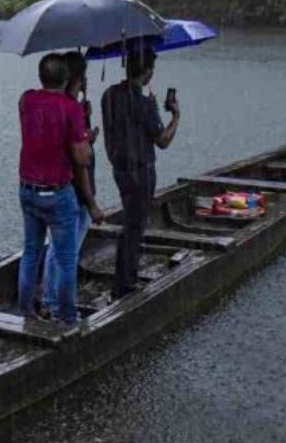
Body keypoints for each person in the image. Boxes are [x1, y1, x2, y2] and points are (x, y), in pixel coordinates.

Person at [17, 53, 103, 325]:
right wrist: (86, 140)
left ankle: (26, 311)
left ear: (41, 76)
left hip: (27, 190)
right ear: (67, 78)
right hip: (57, 193)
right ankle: (65, 316)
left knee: (31, 252)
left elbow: (44, 132)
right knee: (66, 260)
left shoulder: (26, 99)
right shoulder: (70, 108)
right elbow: (81, 158)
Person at [100, 48, 180, 299]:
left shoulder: (109, 95)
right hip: (141, 171)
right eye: (152, 69)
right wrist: (175, 115)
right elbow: (163, 141)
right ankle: (125, 286)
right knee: (134, 227)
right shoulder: (143, 104)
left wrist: (150, 108)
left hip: (119, 169)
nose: (152, 73)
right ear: (146, 72)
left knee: (130, 222)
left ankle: (124, 279)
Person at [40, 51, 100, 318]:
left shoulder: (56, 107)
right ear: (75, 79)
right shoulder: (69, 109)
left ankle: (49, 300)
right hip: (73, 193)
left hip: (56, 189)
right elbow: (79, 162)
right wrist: (92, 202)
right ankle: (59, 308)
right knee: (67, 254)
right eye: (83, 78)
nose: (86, 83)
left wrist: (85, 133)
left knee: (57, 249)